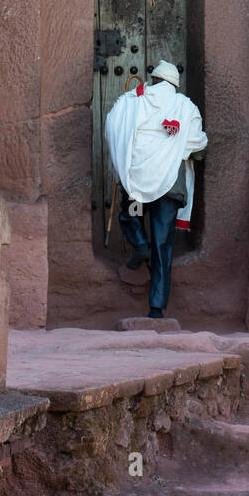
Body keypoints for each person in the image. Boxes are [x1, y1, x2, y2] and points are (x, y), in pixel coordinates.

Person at [104, 60, 208, 319]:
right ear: (174, 83)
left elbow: (112, 128)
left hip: (136, 183)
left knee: (130, 215)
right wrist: (177, 147)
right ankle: (156, 307)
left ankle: (140, 245)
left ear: (154, 80)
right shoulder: (186, 106)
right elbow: (199, 148)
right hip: (170, 185)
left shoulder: (131, 100)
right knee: (163, 243)